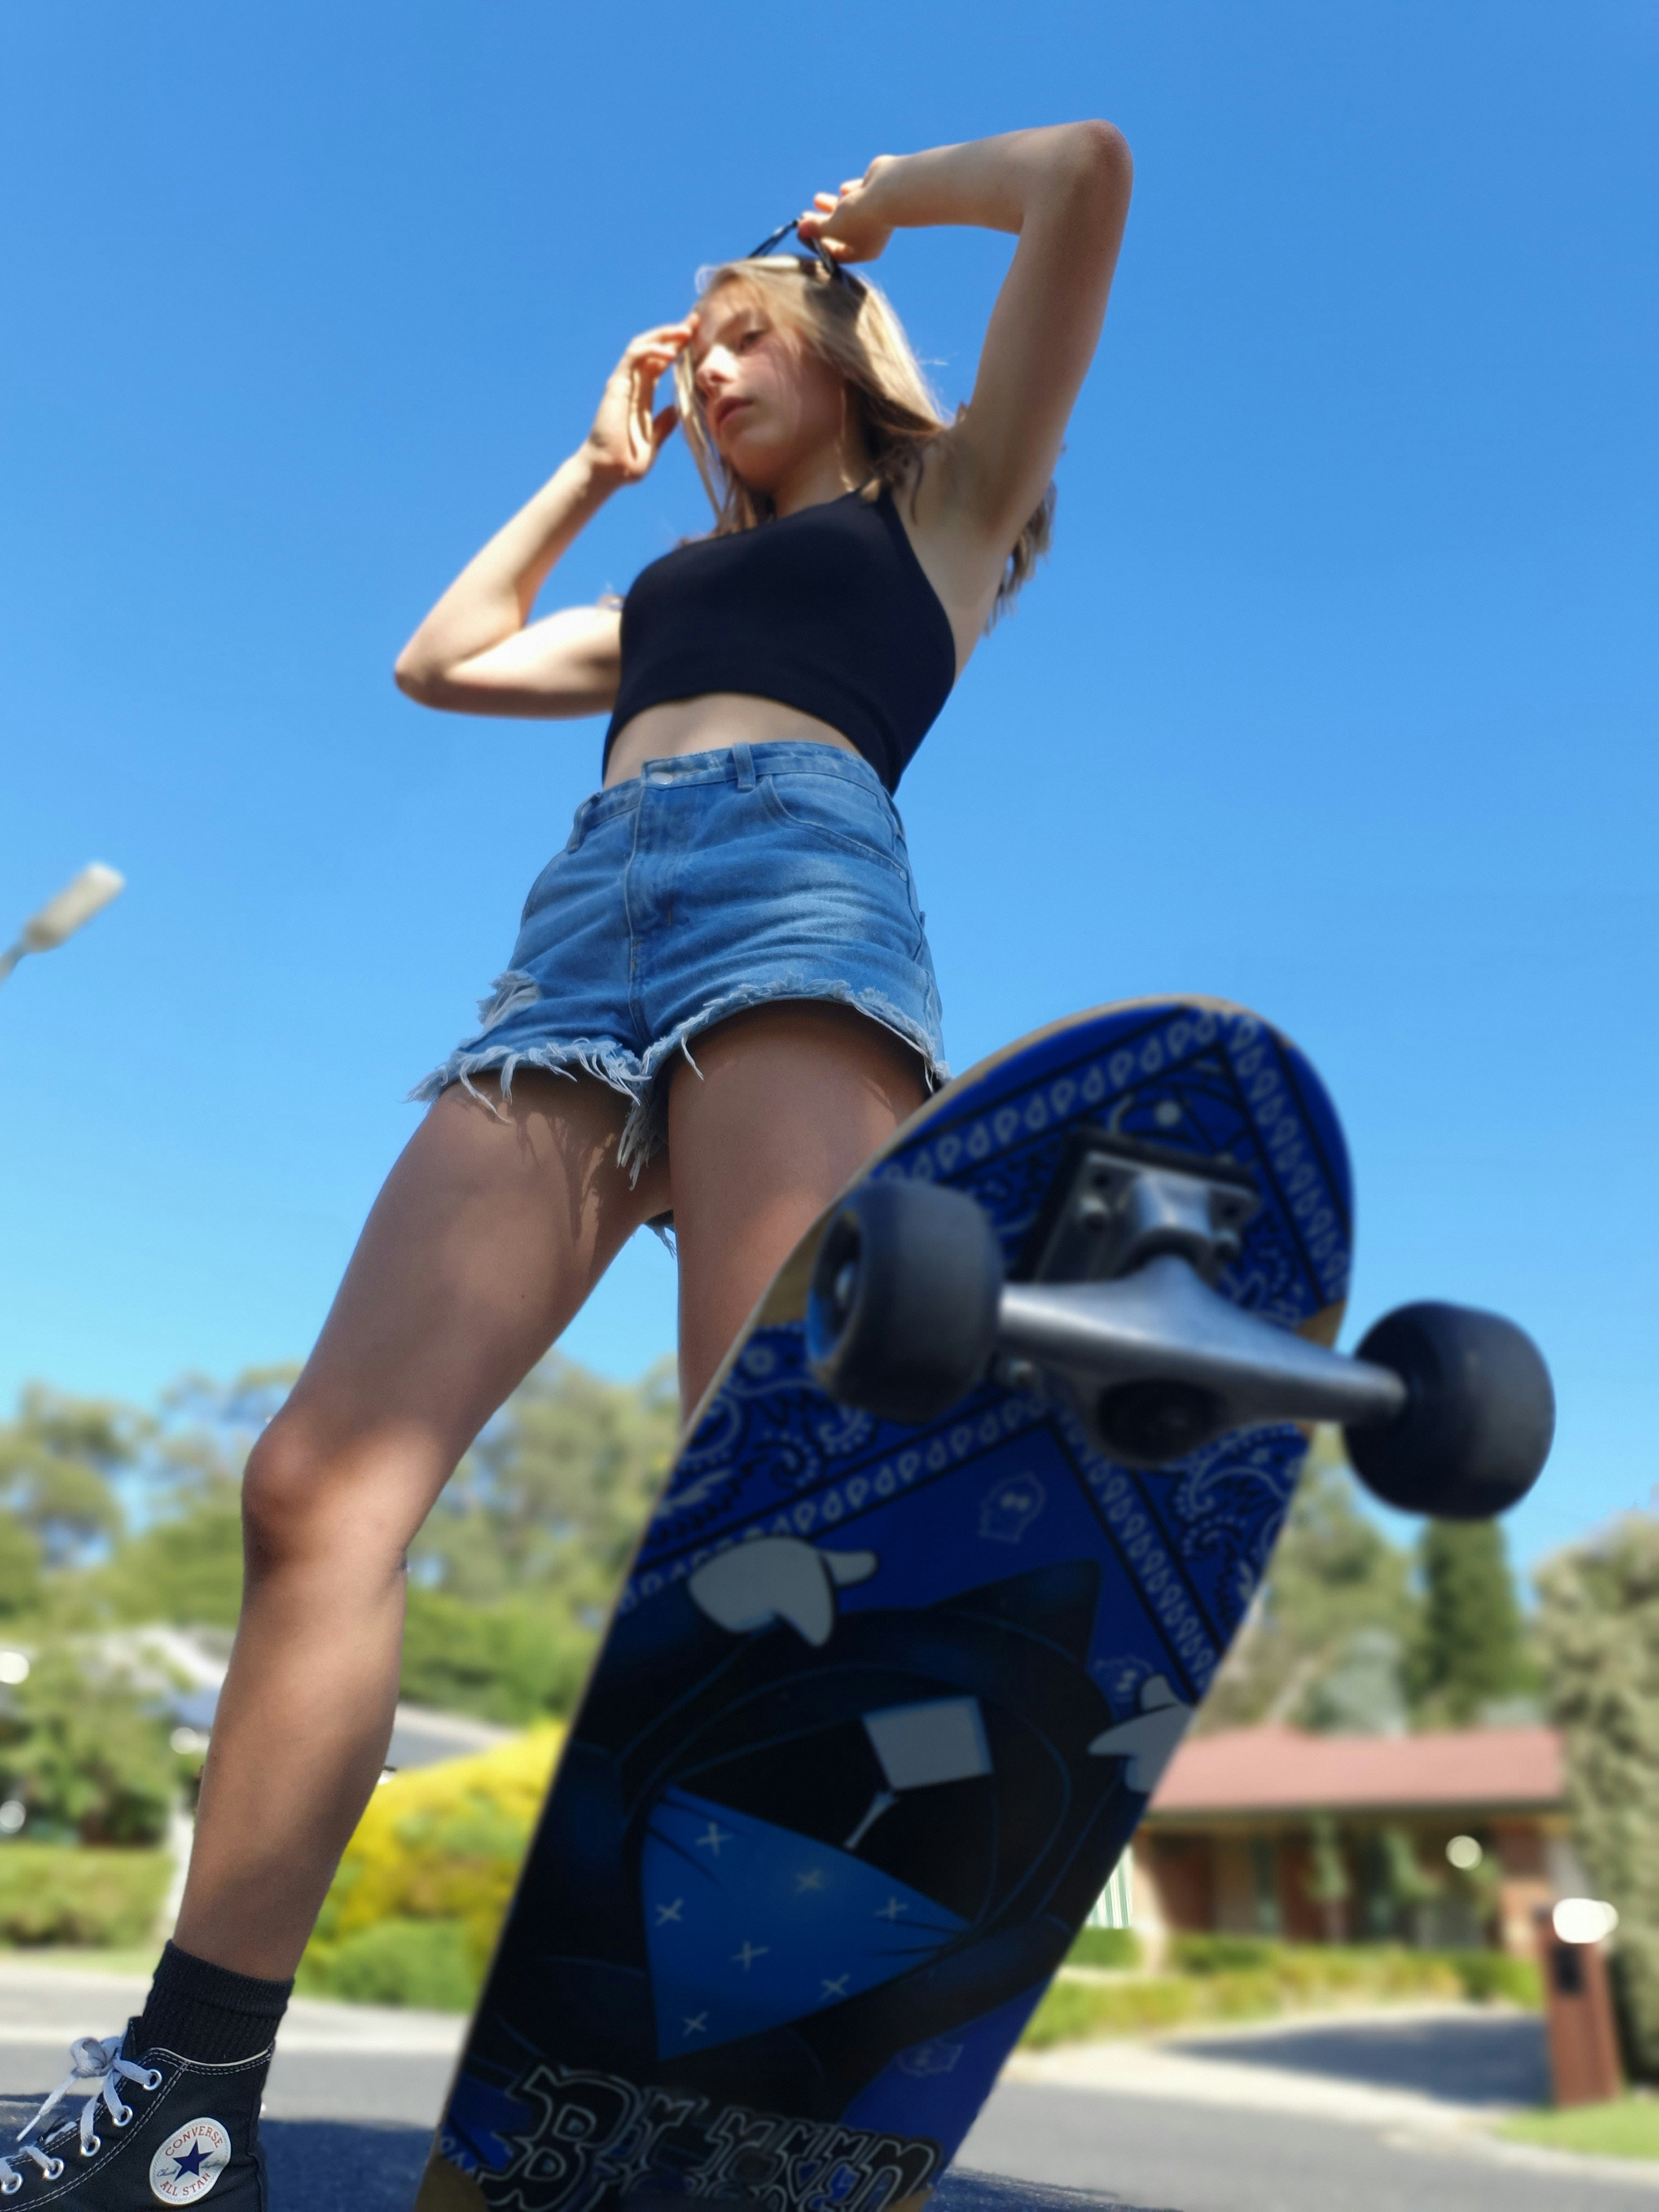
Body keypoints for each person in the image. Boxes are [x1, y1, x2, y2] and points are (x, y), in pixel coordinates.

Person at [5, 122, 1132, 2207]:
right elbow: (443, 660)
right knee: (312, 1485)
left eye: (740, 342)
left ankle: (730, 2085)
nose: (707, 374)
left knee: (765, 1502)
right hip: (575, 949)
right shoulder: (667, 593)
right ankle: (184, 2094)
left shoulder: (950, 515)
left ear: (845, 352)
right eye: (688, 353)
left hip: (800, 914)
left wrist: (876, 214)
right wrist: (595, 471)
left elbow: (1086, 178)